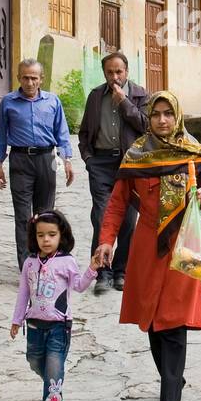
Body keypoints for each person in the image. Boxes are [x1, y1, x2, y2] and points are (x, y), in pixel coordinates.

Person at [97, 90, 201, 401]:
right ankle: (172, 380)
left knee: (173, 320)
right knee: (152, 321)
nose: (163, 120)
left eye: (168, 114)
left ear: (177, 116)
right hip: (147, 246)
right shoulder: (137, 156)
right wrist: (106, 241)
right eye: (156, 114)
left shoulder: (195, 153)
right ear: (148, 118)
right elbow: (118, 203)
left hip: (185, 244)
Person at [10, 210, 100, 401]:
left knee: (53, 363)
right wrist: (17, 319)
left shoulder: (67, 262)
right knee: (33, 360)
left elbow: (78, 286)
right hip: (33, 323)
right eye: (41, 235)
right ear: (35, 237)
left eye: (51, 234)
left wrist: (92, 269)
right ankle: (52, 382)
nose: (46, 239)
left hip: (59, 324)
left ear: (62, 236)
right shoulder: (29, 263)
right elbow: (23, 292)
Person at [0, 59, 75, 272]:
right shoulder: (9, 102)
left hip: (46, 159)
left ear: (41, 79)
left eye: (34, 78)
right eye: (25, 77)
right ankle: (27, 266)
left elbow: (62, 133)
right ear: (19, 77)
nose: (29, 82)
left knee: (45, 214)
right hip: (20, 160)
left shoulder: (53, 102)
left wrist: (67, 160)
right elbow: (1, 135)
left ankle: (45, 263)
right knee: (22, 216)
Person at [78, 51, 149, 294]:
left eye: (119, 71)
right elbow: (85, 132)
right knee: (101, 217)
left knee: (129, 221)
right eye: (110, 72)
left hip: (129, 165)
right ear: (105, 73)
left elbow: (146, 126)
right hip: (100, 164)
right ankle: (102, 273)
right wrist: (88, 158)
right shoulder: (96, 96)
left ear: (127, 72)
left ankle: (121, 270)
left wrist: (124, 102)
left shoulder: (140, 95)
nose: (115, 76)